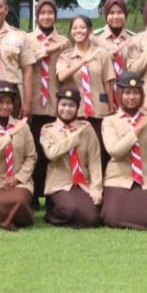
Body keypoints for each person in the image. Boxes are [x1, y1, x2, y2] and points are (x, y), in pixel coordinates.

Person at [100, 71, 147, 230]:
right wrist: (136, 130)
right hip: (119, 176)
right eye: (127, 93)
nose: (131, 97)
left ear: (141, 94)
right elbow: (114, 151)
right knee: (112, 218)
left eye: (135, 93)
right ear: (119, 94)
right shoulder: (109, 121)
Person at [25, 0, 69, 202]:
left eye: (50, 13)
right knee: (32, 151)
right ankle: (32, 194)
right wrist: (47, 51)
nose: (46, 17)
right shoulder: (27, 40)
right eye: (42, 13)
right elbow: (24, 63)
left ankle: (52, 193)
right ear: (36, 15)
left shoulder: (64, 41)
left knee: (53, 152)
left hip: (54, 104)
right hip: (32, 104)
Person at [0, 81, 37, 231]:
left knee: (20, 200)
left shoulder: (23, 126)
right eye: (0, 103)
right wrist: (10, 134)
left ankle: (4, 219)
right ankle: (12, 218)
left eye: (9, 103)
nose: (5, 107)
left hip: (19, 180)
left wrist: (18, 178)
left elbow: (31, 156)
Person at [41, 86, 102, 228]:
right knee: (73, 210)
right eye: (63, 105)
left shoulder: (87, 128)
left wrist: (97, 188)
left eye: (71, 105)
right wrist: (73, 138)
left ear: (77, 108)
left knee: (95, 216)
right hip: (59, 184)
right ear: (57, 105)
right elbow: (51, 153)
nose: (66, 109)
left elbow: (95, 160)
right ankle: (53, 212)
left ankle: (69, 212)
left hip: (82, 184)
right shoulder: (47, 130)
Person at [54, 16, 115, 139]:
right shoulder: (65, 56)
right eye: (75, 28)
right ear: (71, 32)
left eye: (82, 27)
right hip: (75, 111)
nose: (78, 31)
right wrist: (82, 62)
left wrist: (111, 110)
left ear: (90, 30)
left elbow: (108, 85)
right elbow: (61, 77)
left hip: (98, 111)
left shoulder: (102, 55)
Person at [93, 0, 136, 77]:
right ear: (106, 15)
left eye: (120, 12)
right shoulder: (95, 37)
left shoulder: (133, 38)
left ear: (125, 15)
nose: (116, 17)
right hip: (103, 87)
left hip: (128, 87)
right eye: (111, 13)